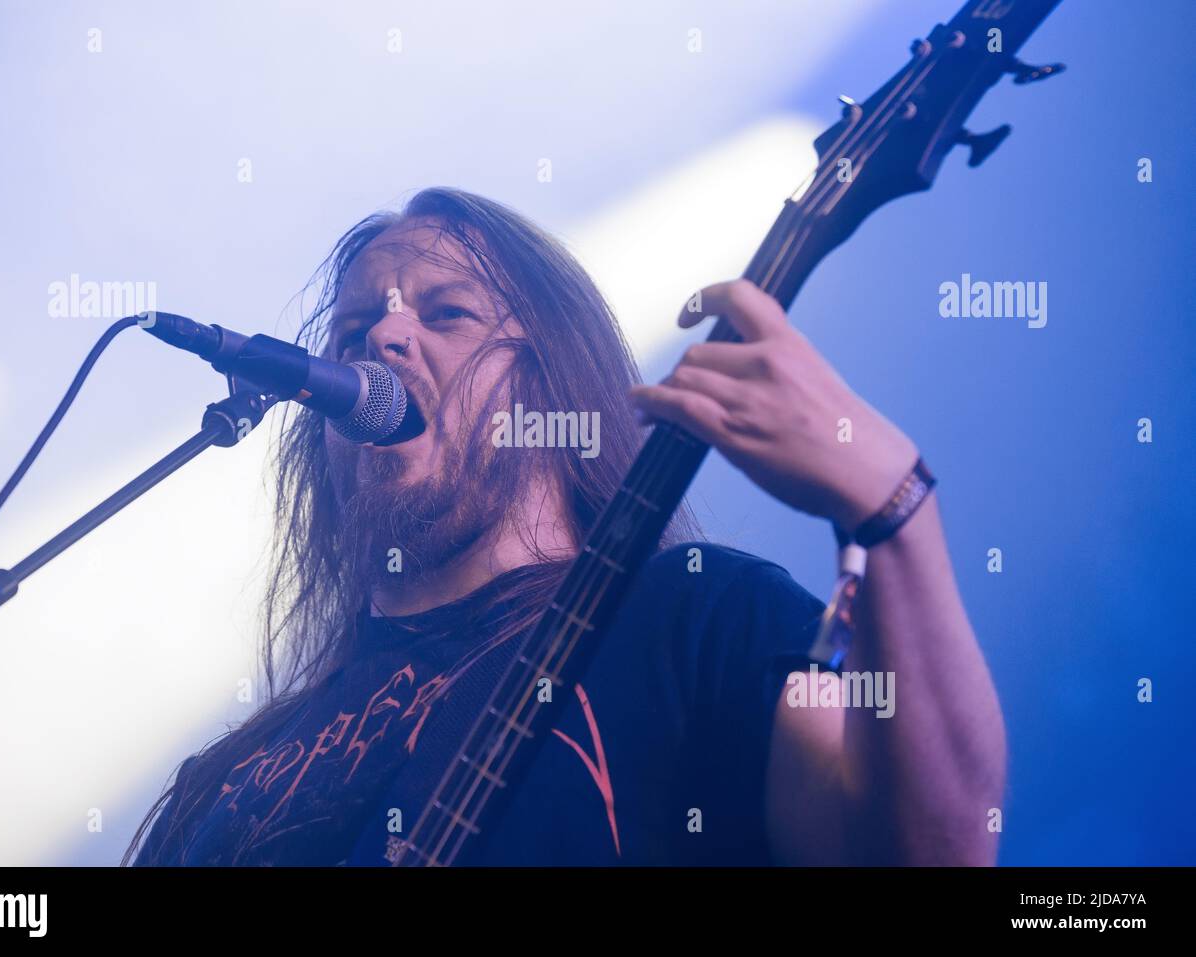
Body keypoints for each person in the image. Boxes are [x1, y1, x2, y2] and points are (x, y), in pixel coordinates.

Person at [125, 187, 1005, 866]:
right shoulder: (230, 772)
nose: (384, 338)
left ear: (550, 382)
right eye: (355, 329)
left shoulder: (694, 615)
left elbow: (929, 850)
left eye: (446, 313)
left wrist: (892, 507)